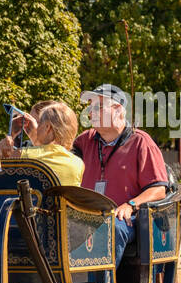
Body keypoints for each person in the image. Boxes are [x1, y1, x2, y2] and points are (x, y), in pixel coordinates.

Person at [73, 84, 173, 258]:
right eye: (90, 108)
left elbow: (158, 189)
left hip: (124, 221)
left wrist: (131, 205)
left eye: (98, 107)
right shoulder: (85, 140)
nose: (90, 113)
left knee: (111, 229)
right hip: (86, 217)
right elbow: (59, 153)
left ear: (118, 109)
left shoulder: (141, 142)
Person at [0, 100, 84, 186]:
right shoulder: (78, 164)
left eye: (39, 122)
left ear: (47, 127)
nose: (36, 127)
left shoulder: (22, 155)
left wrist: (2, 151)